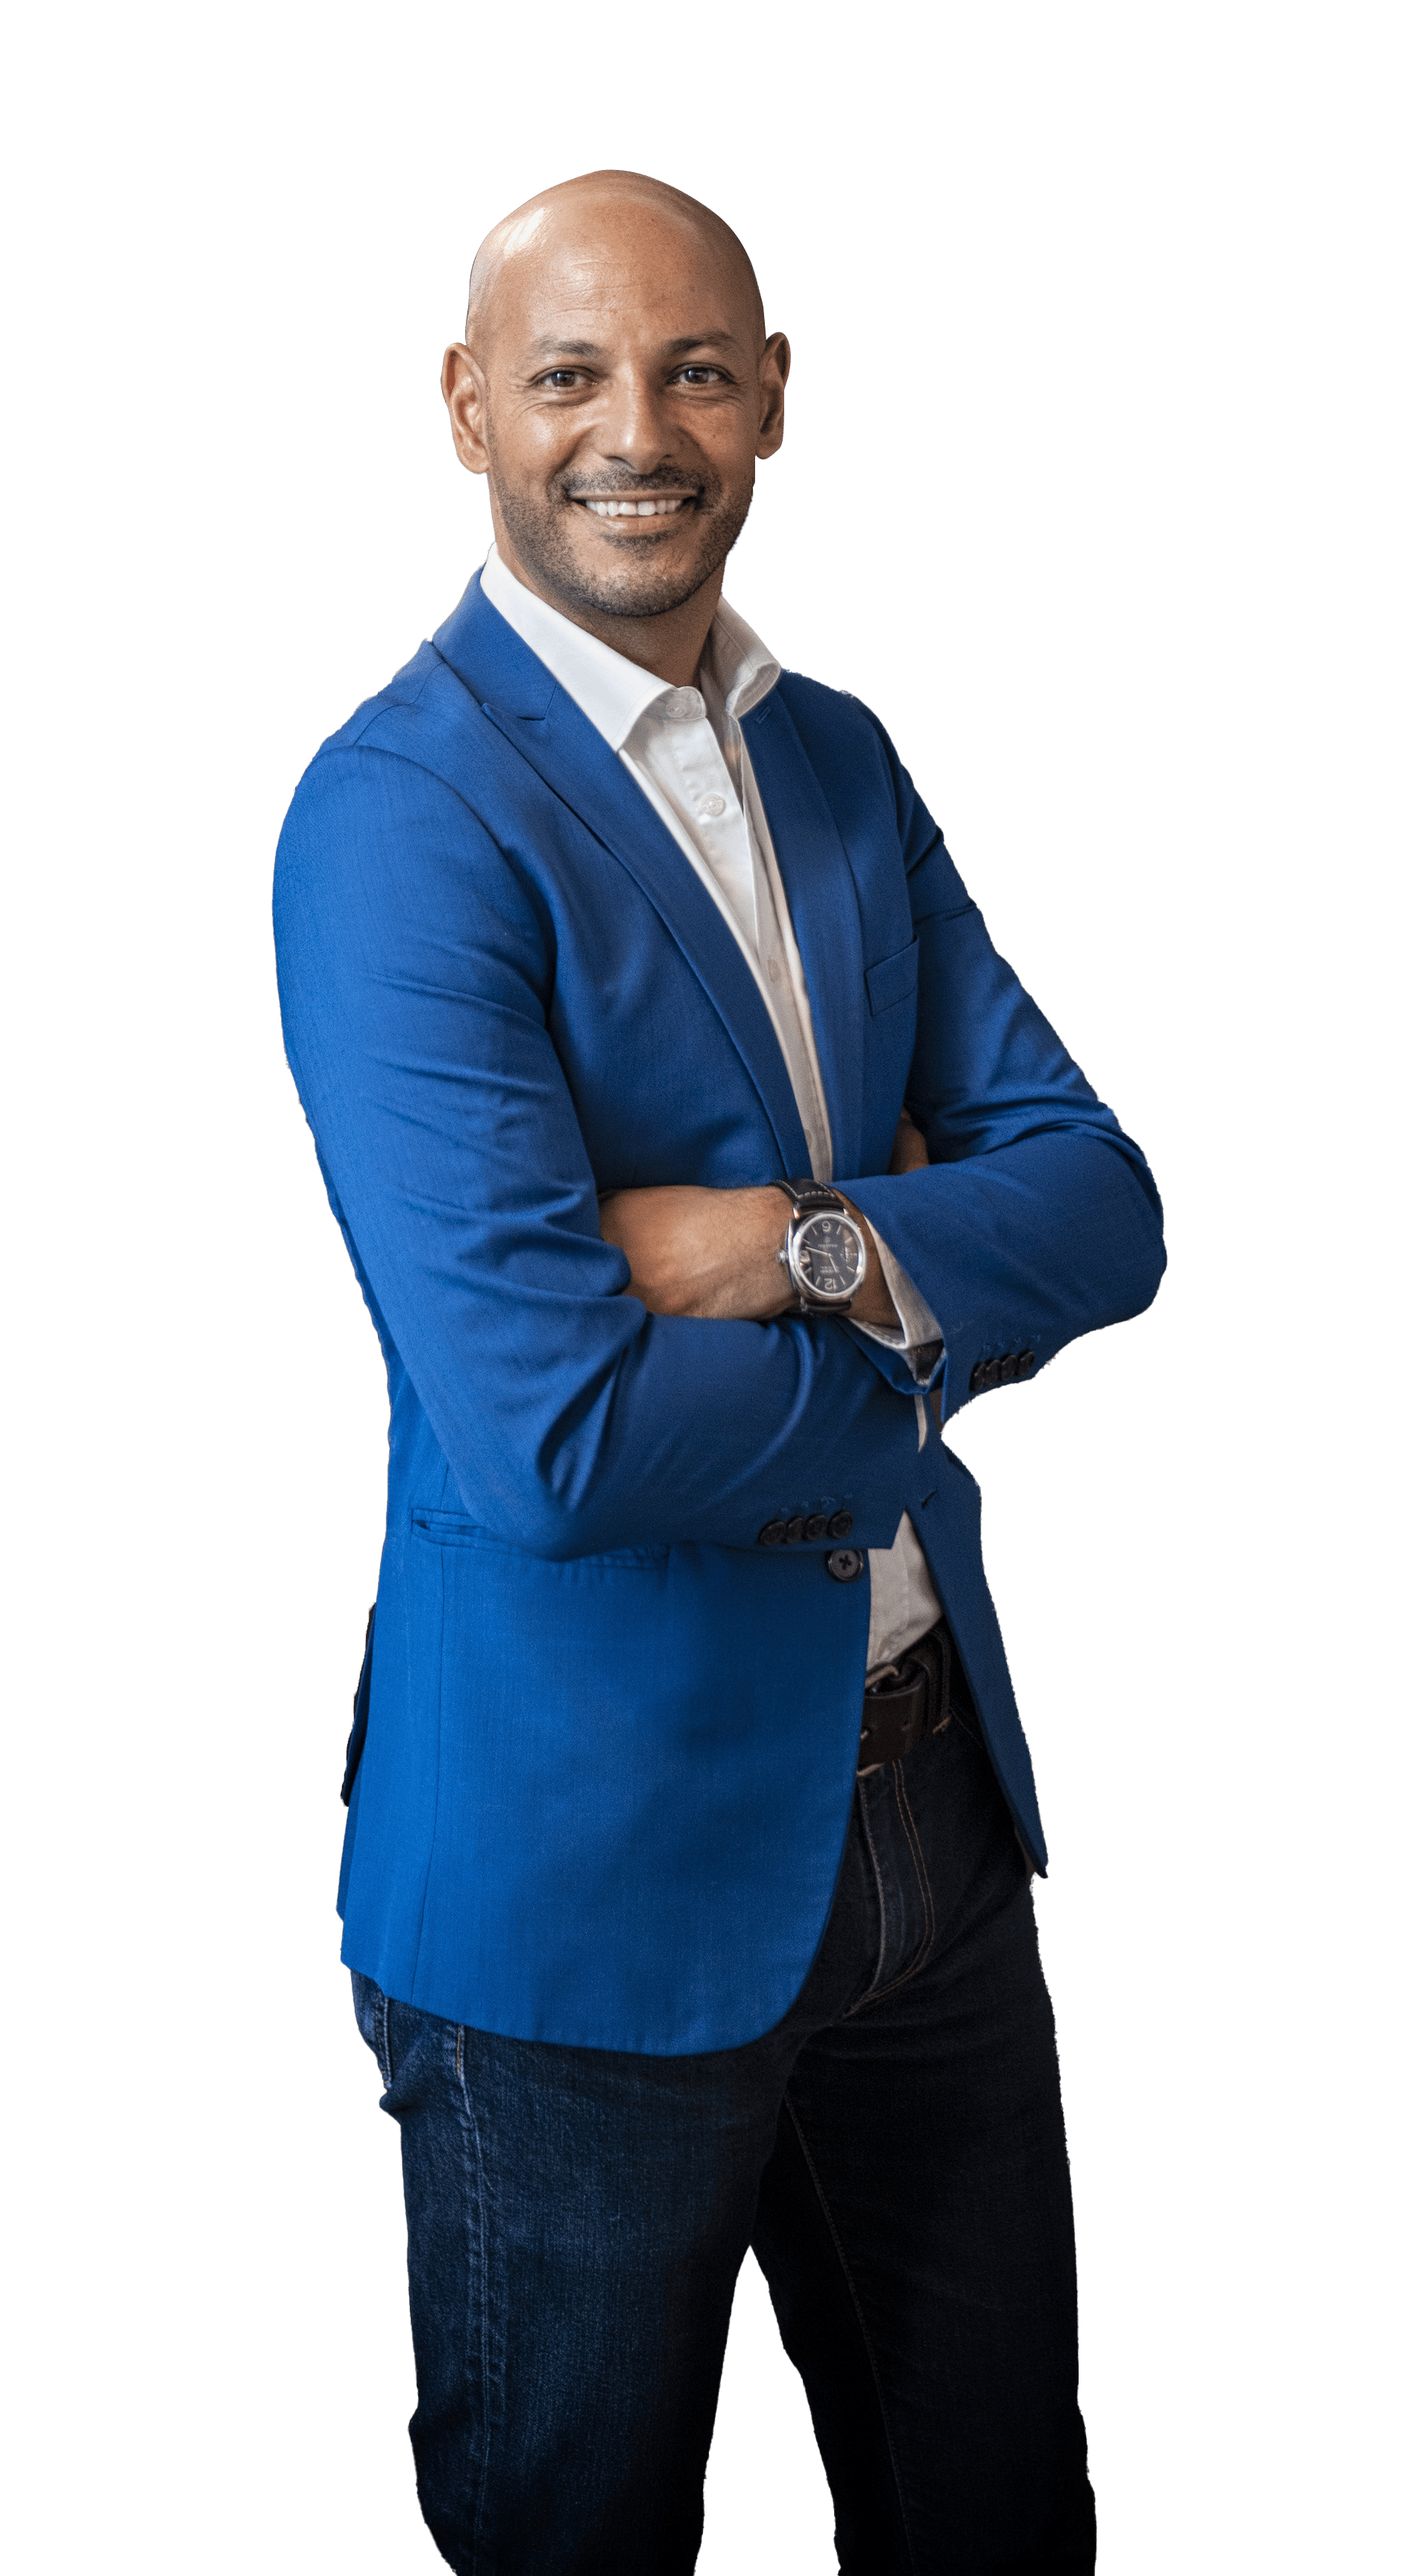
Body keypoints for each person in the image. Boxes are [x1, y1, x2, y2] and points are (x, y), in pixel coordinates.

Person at [273, 169, 1165, 2575]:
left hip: (930, 1827)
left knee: (1002, 2521)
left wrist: (796, 1242)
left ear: (771, 398)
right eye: (568, 374)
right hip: (580, 1872)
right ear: (469, 409)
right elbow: (556, 1436)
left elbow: (1104, 1198)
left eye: (690, 371)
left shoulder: (843, 757)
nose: (635, 432)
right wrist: (928, 1329)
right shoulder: (396, 825)